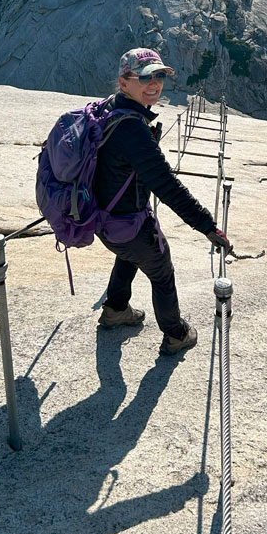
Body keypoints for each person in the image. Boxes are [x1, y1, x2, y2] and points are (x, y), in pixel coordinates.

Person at [94, 47, 231, 355]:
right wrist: (207, 225)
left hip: (104, 220)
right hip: (127, 222)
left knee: (130, 254)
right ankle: (176, 333)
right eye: (144, 77)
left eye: (159, 75)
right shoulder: (131, 127)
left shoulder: (111, 109)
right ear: (124, 81)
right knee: (161, 270)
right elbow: (166, 185)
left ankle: (116, 309)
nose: (154, 83)